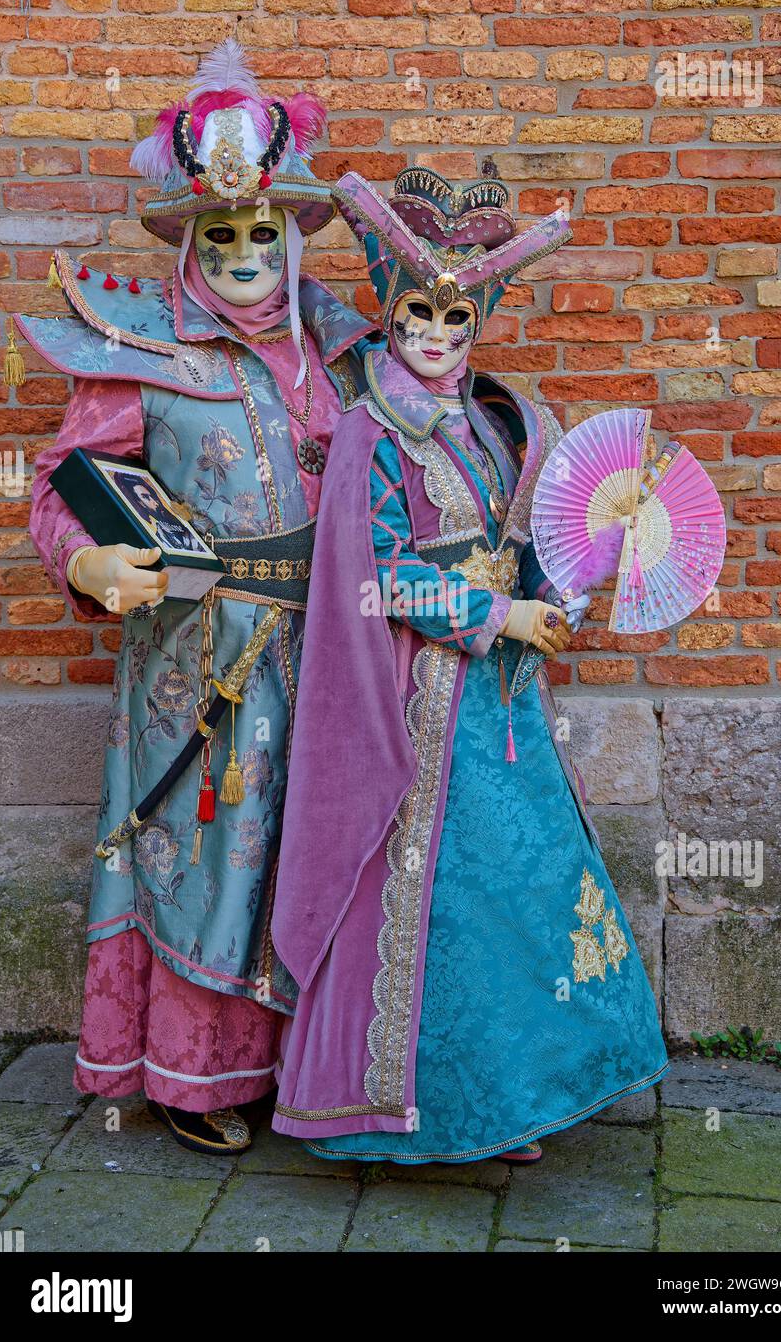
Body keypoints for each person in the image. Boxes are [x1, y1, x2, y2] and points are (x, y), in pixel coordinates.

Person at [269, 166, 669, 1165]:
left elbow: (512, 542)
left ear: (477, 319)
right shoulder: (371, 431)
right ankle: (428, 1112)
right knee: (447, 902)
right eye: (416, 316)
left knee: (524, 892)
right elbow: (379, 577)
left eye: (456, 317)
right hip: (417, 704)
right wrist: (499, 612)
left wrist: (570, 575)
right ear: (388, 316)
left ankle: (507, 1098)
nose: (435, 336)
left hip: (501, 704)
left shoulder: (495, 422)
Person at [19, 40, 376, 1155]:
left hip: (328, 647)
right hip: (197, 660)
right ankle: (192, 1078)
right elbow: (59, 487)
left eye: (259, 232)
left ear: (291, 235)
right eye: (217, 234)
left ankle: (312, 1070)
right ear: (187, 241)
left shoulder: (347, 346)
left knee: (313, 845)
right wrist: (89, 563)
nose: (239, 252)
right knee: (214, 860)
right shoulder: (137, 348)